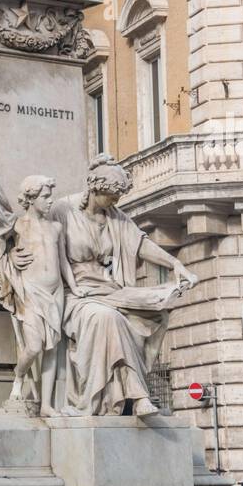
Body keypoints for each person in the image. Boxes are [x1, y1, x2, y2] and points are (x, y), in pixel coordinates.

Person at [51, 156, 197, 420]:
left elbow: (139, 244)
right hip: (77, 295)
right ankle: (137, 396)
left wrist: (176, 264)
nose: (115, 203)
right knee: (107, 318)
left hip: (111, 291)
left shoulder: (115, 217)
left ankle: (133, 394)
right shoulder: (63, 211)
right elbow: (40, 241)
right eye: (110, 197)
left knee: (158, 312)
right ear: (94, 189)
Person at [0, 170, 82, 416]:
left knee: (52, 347)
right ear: (31, 199)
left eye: (51, 195)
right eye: (45, 196)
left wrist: (74, 288)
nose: (51, 201)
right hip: (31, 292)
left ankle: (46, 404)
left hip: (55, 293)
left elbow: (64, 261)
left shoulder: (56, 227)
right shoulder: (18, 225)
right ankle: (19, 378)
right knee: (34, 347)